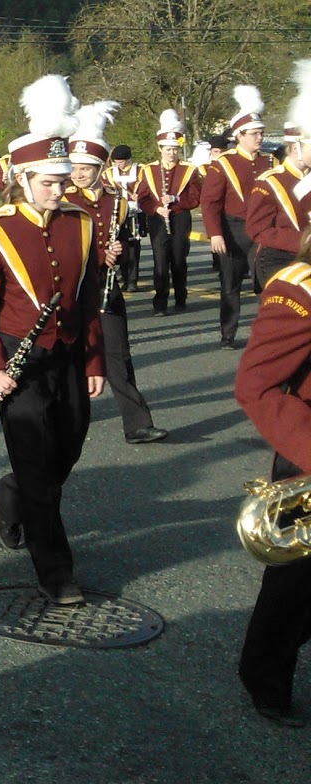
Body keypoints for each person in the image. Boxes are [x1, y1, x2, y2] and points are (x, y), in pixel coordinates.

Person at [0, 74, 106, 608]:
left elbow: (88, 297)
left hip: (68, 355)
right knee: (36, 463)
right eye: (48, 180)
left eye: (62, 179)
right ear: (22, 178)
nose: (59, 188)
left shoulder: (81, 223)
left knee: (67, 448)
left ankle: (14, 494)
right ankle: (56, 571)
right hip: (18, 362)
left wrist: (94, 358)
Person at [232, 224, 311, 727]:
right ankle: (265, 677)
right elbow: (256, 387)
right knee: (296, 589)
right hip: (307, 453)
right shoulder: (299, 288)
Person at [62, 102, 167, 444]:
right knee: (70, 354)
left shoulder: (117, 201)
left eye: (85, 168)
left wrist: (118, 253)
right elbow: (61, 251)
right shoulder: (63, 200)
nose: (78, 174)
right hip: (73, 289)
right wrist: (97, 255)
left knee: (119, 354)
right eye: (74, 167)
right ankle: (64, 420)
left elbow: (122, 241)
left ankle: (137, 423)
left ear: (99, 167)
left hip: (106, 289)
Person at [202, 84, 271, 349]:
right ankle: (228, 334)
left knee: (265, 283)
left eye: (261, 133)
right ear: (239, 135)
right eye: (254, 134)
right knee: (230, 286)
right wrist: (215, 233)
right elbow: (210, 202)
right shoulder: (224, 163)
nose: (259, 138)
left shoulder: (267, 163)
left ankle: (266, 333)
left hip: (262, 231)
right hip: (232, 230)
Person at [246, 63, 311, 287]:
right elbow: (257, 229)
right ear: (297, 146)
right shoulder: (270, 182)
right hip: (279, 259)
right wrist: (303, 240)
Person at [134, 109, 202, 316]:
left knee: (179, 261)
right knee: (160, 262)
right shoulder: (148, 170)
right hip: (157, 220)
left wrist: (176, 200)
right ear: (160, 148)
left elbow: (195, 198)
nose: (171, 153)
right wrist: (155, 208)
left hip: (180, 219)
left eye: (175, 149)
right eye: (168, 149)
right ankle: (160, 303)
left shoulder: (189, 170)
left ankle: (180, 298)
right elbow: (142, 198)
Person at [105, 145, 142, 292]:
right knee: (119, 246)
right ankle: (124, 276)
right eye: (116, 162)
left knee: (133, 247)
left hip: (136, 212)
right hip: (117, 213)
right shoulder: (108, 173)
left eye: (122, 161)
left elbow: (146, 188)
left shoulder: (141, 170)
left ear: (129, 159)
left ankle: (132, 280)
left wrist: (139, 195)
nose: (119, 164)